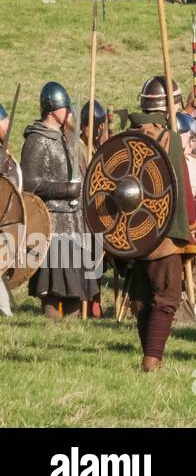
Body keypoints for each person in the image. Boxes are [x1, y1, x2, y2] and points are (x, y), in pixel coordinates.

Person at [125, 77, 196, 371]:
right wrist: (189, 225)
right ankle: (152, 358)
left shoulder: (128, 134)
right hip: (164, 230)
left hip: (131, 229)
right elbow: (179, 187)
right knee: (167, 294)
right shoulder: (168, 139)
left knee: (143, 294)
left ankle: (150, 356)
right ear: (168, 106)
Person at [21, 82, 97, 319]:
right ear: (53, 110)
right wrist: (65, 189)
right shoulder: (37, 140)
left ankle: (72, 331)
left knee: (75, 287)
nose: (70, 113)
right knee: (52, 289)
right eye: (66, 107)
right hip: (51, 223)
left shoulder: (68, 138)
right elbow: (30, 183)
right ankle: (51, 329)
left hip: (75, 223)